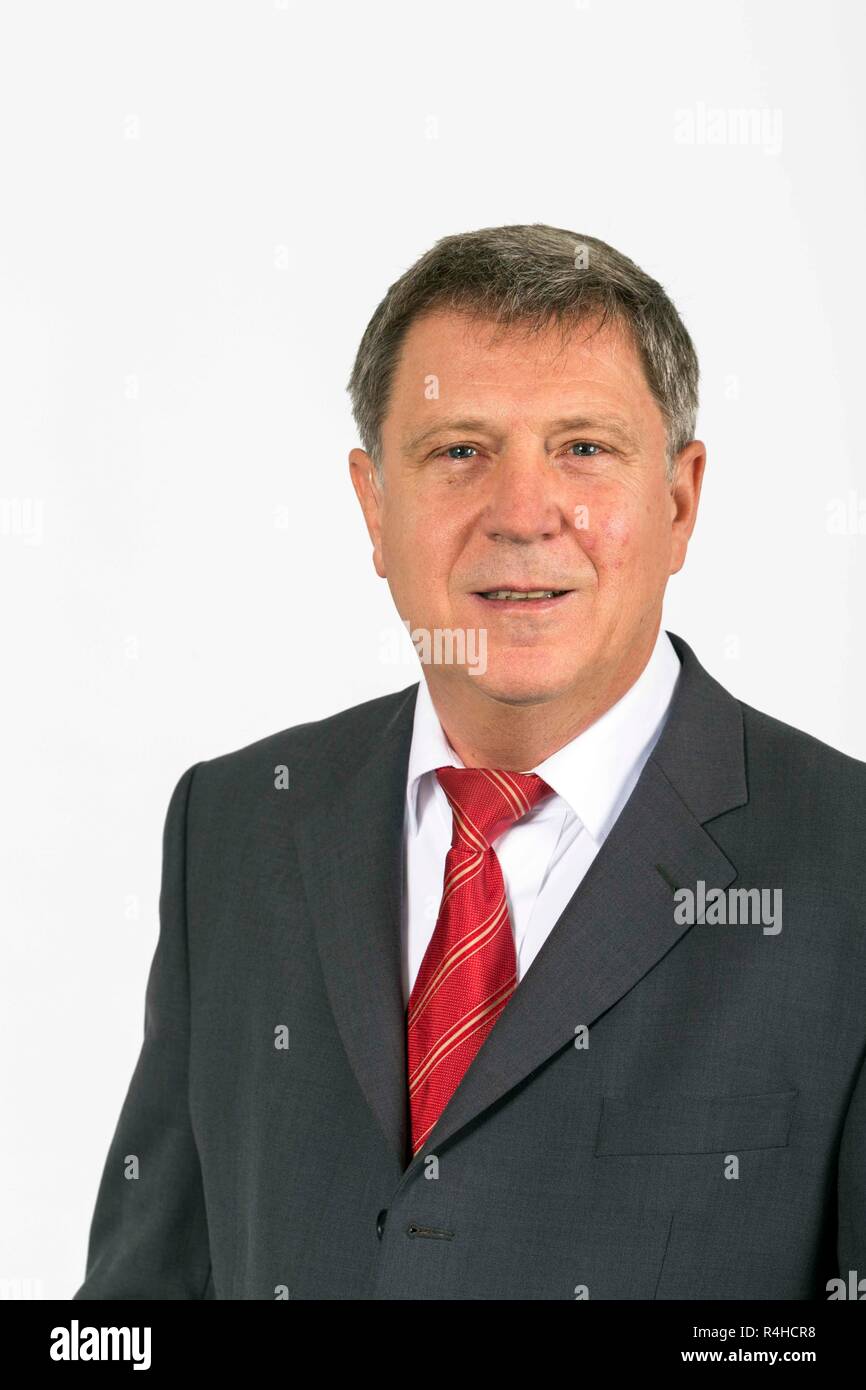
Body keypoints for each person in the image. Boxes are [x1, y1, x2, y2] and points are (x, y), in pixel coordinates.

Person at [74, 224, 866, 1300]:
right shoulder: (232, 826)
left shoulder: (843, 865)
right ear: (372, 504)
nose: (520, 513)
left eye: (582, 448)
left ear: (678, 501)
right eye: (458, 451)